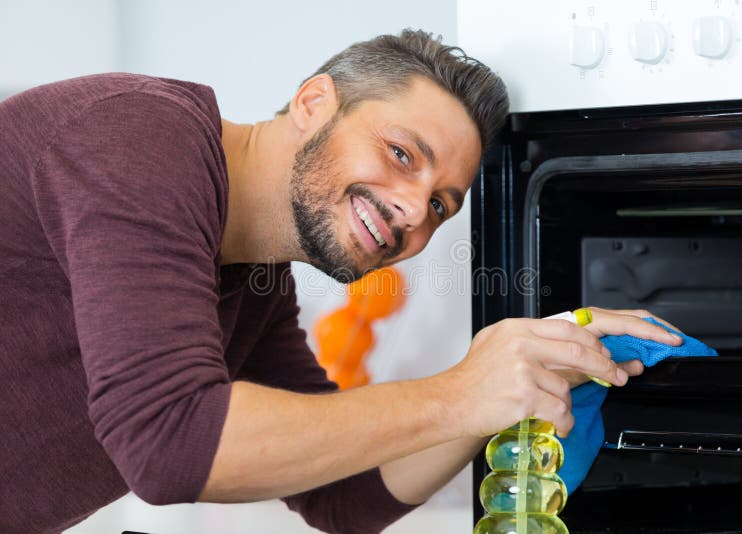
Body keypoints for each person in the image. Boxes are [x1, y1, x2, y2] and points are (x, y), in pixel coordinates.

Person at [0, 29, 682, 533]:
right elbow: (171, 443)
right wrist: (461, 390)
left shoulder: (255, 287)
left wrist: (519, 376)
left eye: (443, 204)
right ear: (314, 102)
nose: (416, 210)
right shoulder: (140, 135)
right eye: (401, 153)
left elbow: (344, 498)